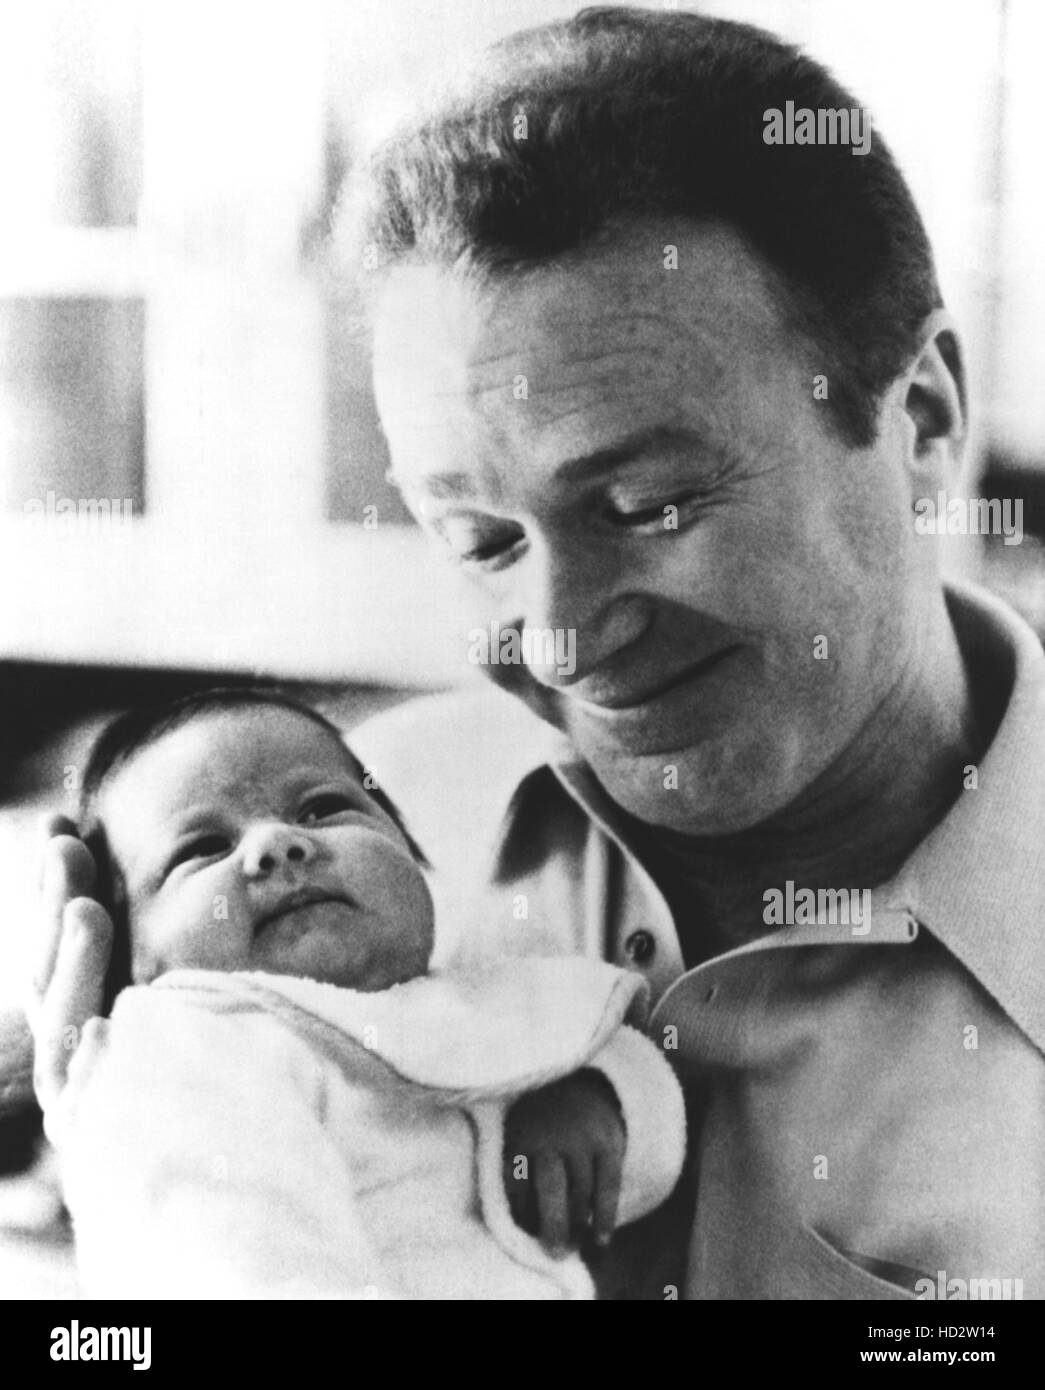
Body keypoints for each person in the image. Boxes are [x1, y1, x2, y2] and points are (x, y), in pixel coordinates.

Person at [31, 7, 1045, 1299]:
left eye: (644, 506)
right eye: (479, 535)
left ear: (922, 418)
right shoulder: (357, 823)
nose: (561, 635)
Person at [47, 687, 685, 1299]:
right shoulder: (183, 1046)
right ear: (129, 962)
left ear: (414, 862)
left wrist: (596, 1095)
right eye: (203, 848)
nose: (276, 843)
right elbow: (229, 1253)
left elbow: (646, 1156)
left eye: (322, 808)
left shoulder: (476, 998)